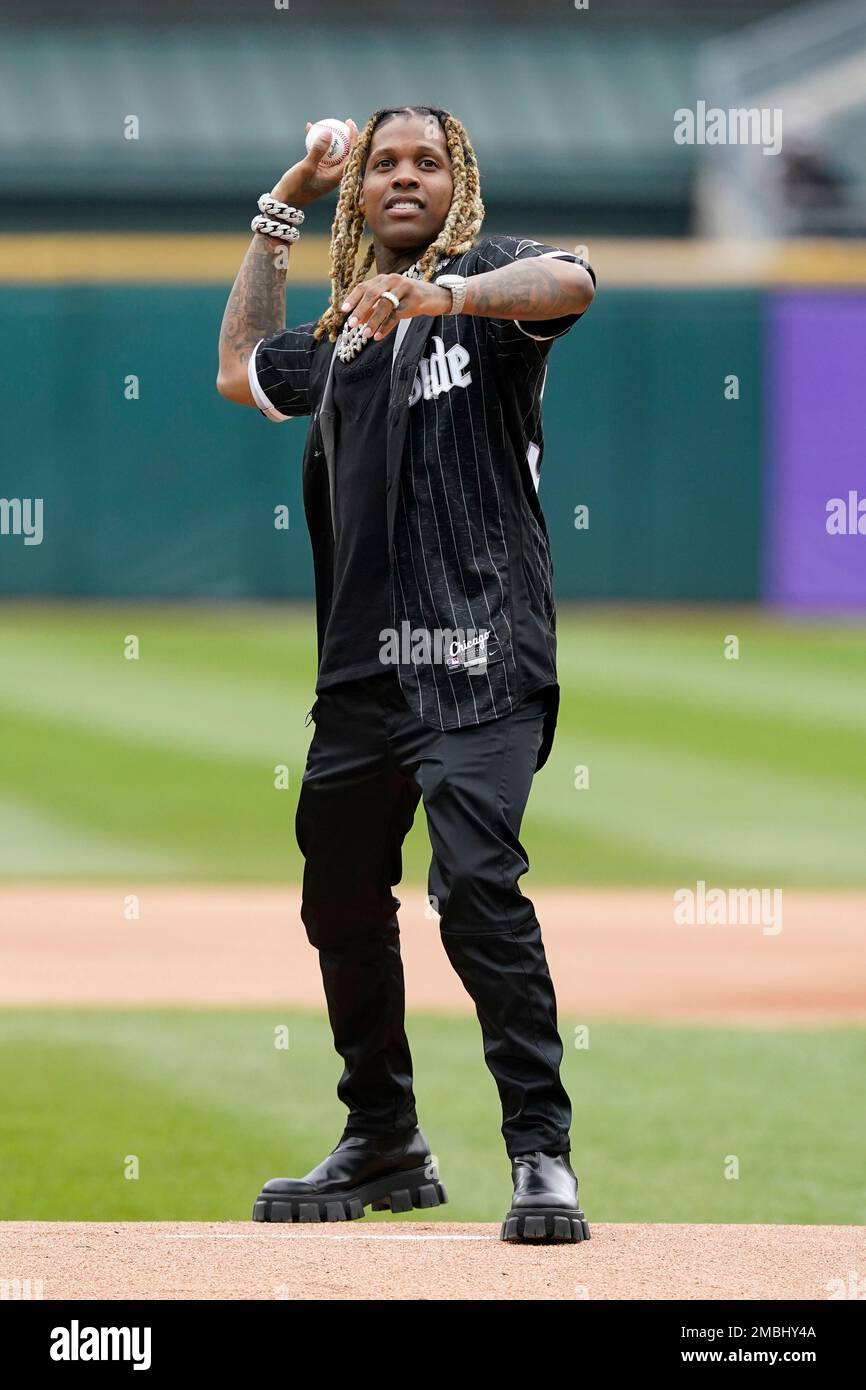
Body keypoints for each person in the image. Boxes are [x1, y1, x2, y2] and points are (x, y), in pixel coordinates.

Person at [217, 104, 595, 1244]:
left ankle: (539, 1154)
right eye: (383, 164)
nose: (402, 177)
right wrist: (279, 210)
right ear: (358, 190)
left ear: (456, 183)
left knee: (475, 888)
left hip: (481, 658)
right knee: (336, 894)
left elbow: (574, 278)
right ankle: (382, 1134)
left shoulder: (488, 285)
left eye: (426, 162)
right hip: (361, 676)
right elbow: (239, 369)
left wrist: (450, 294)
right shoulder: (338, 332)